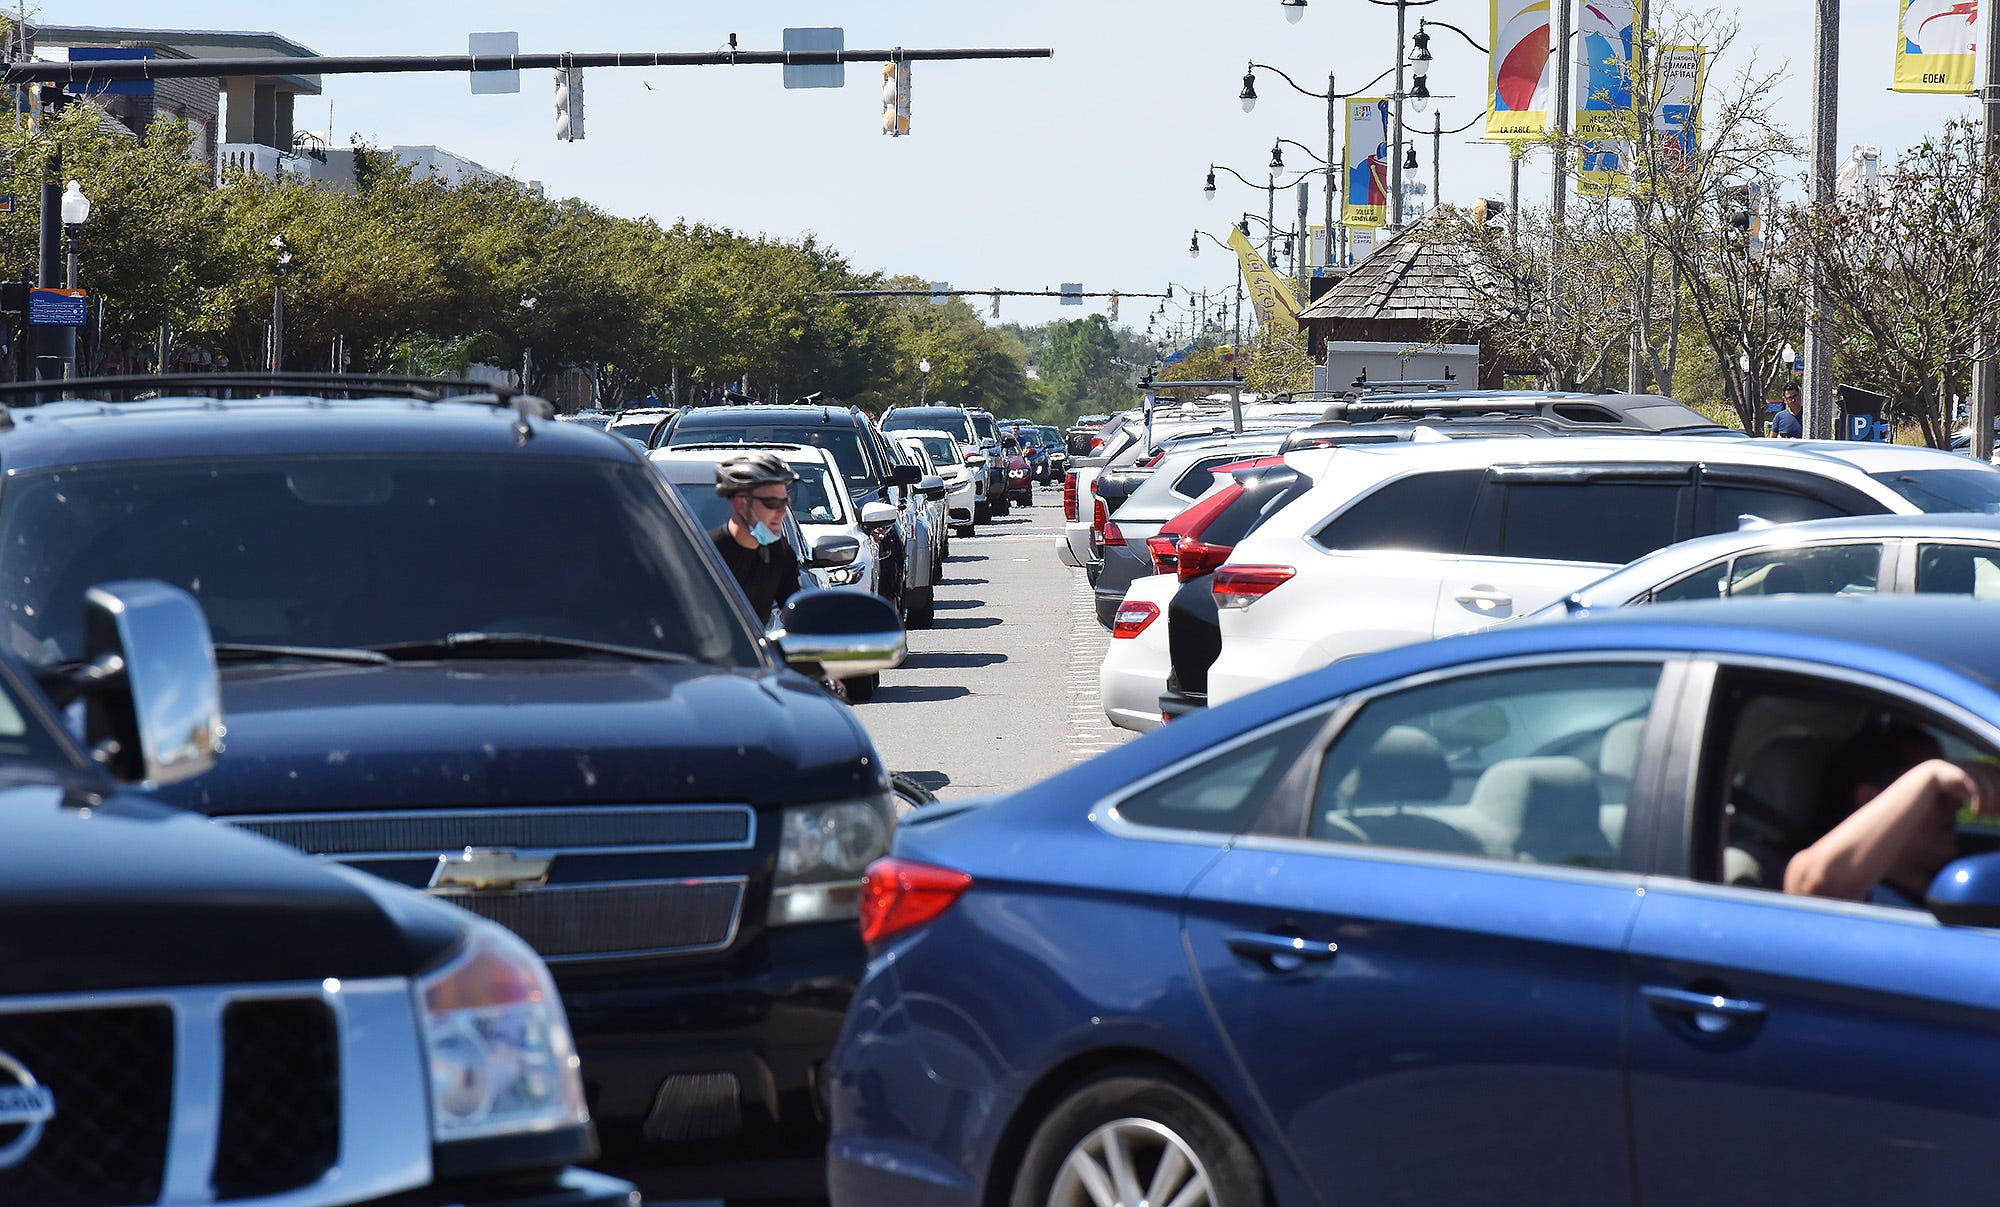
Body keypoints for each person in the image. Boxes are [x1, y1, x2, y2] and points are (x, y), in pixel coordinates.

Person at [1784, 725, 2000, 907]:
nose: (1955, 804)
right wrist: (1929, 774)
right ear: (1870, 800)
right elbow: (1813, 886)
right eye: (1936, 794)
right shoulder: (1863, 898)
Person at [710, 451, 802, 625]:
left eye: (785, 502)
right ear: (741, 504)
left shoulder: (780, 552)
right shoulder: (706, 554)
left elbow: (795, 615)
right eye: (772, 503)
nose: (782, 513)